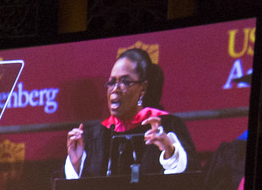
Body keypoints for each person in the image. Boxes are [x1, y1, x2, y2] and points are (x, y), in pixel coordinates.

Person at [63, 47, 193, 182]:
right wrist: (75, 165)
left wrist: (169, 152)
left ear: (142, 88)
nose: (115, 89)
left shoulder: (167, 127)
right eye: (112, 82)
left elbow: (188, 183)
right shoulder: (93, 137)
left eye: (125, 82)